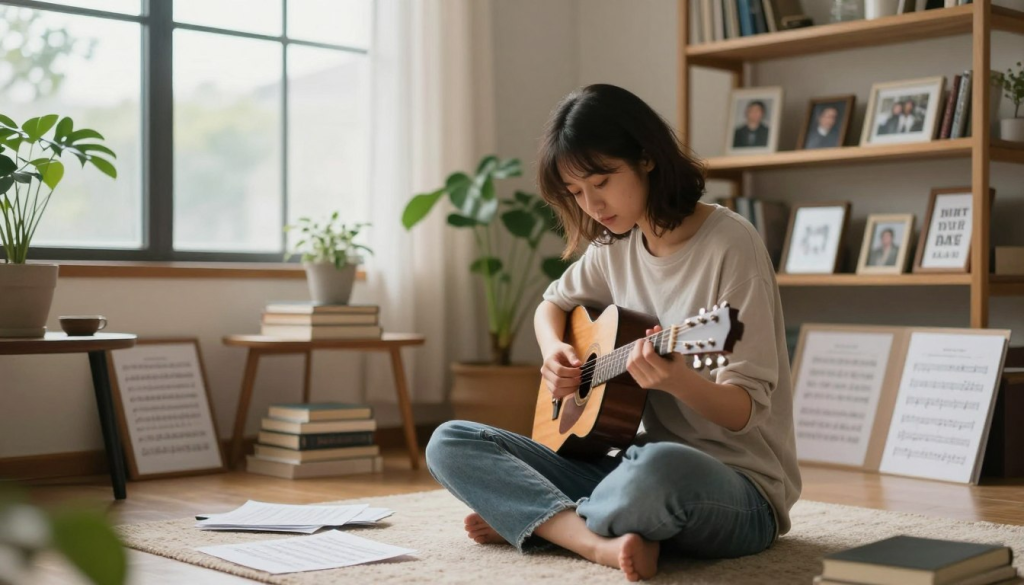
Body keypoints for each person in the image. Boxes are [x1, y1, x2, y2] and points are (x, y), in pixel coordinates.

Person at [426, 84, 801, 582]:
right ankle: (591, 538)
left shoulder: (732, 246)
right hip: (627, 468)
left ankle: (539, 519)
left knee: (657, 470)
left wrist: (677, 381)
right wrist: (556, 350)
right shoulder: (616, 244)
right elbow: (552, 303)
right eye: (576, 193)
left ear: (646, 159)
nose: (592, 205)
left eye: (601, 181)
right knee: (449, 441)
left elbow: (745, 412)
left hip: (735, 488)